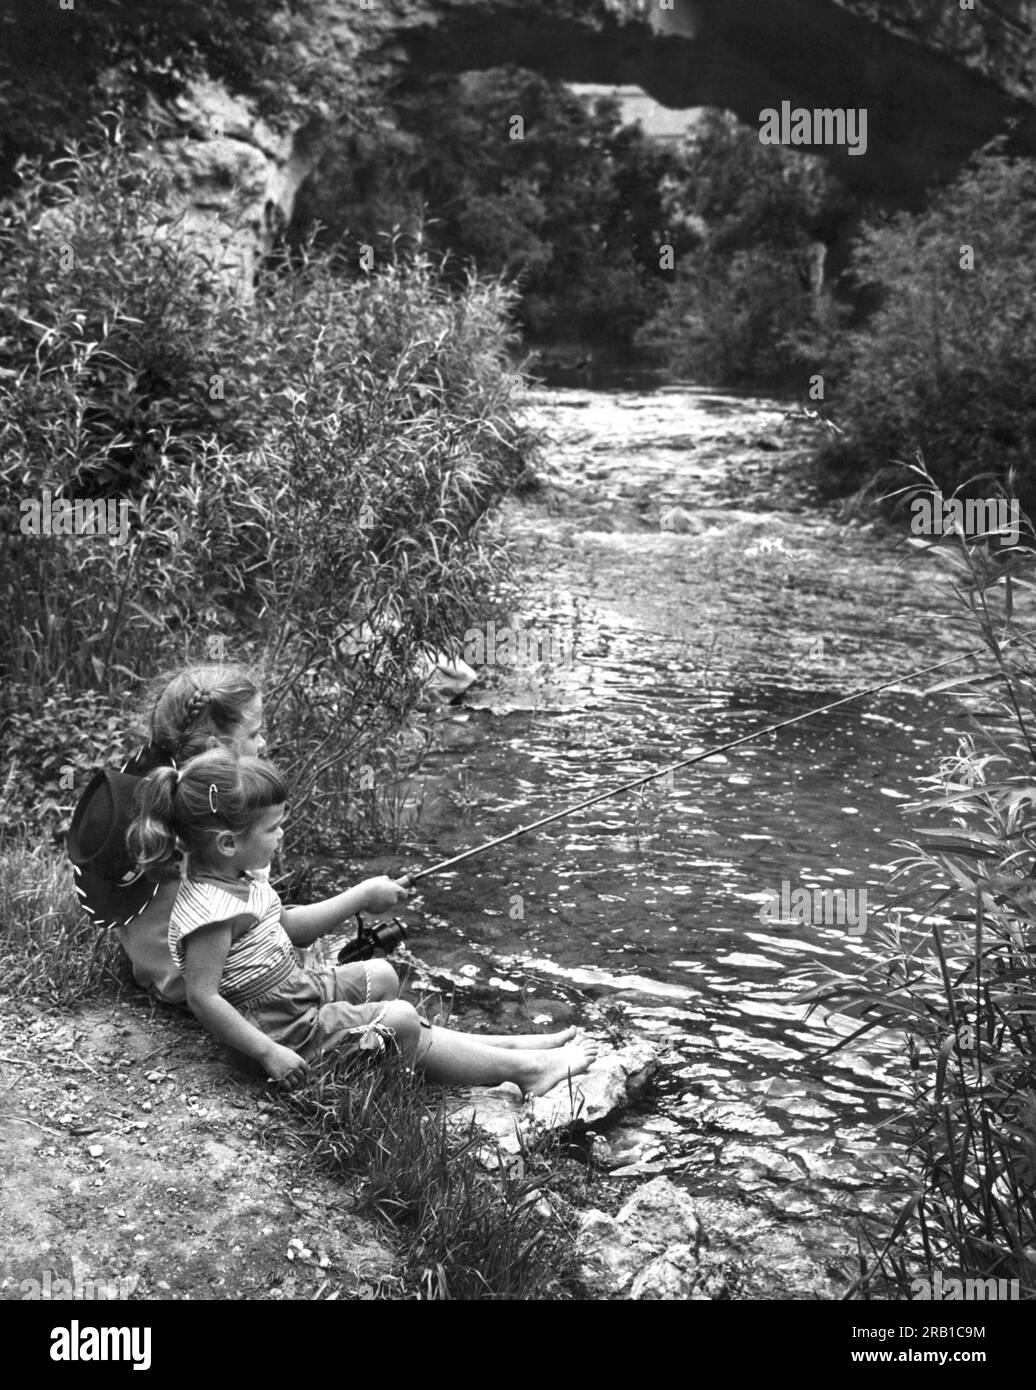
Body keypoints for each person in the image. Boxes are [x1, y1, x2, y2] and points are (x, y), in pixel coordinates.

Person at [127, 749, 598, 1096]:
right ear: (228, 842)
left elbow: (289, 927)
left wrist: (362, 896)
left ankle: (511, 1047)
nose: (282, 833)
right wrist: (269, 1054)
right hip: (282, 1032)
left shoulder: (240, 878)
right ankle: (524, 1069)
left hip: (295, 994)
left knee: (384, 976)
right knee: (400, 1019)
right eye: (272, 828)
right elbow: (203, 997)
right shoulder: (210, 912)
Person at [68, 664, 275, 1004]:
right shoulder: (210, 810)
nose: (263, 743)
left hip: (155, 971)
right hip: (205, 981)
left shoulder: (152, 788)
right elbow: (257, 897)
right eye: (254, 734)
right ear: (216, 744)